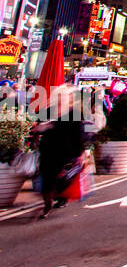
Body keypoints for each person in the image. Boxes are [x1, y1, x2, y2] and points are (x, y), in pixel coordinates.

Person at [34, 90, 85, 221]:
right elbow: (36, 126)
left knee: (62, 177)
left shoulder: (74, 113)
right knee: (47, 177)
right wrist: (40, 128)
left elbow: (78, 134)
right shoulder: (48, 111)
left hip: (66, 151)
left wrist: (80, 153)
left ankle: (61, 197)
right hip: (48, 149)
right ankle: (47, 205)